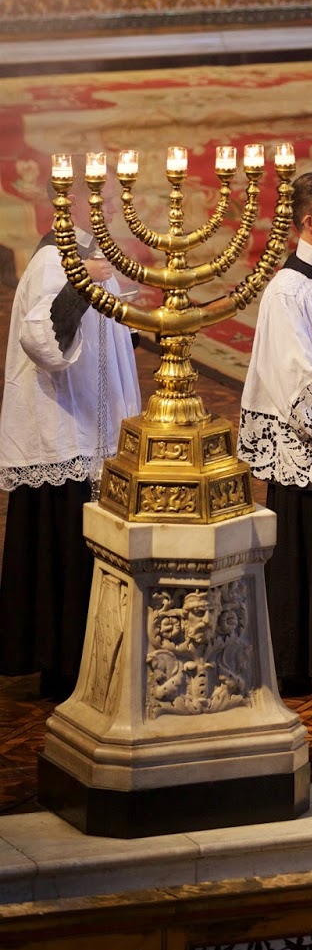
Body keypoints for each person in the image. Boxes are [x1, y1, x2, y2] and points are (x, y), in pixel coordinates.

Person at [0, 199, 140, 699]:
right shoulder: (50, 262)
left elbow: (115, 336)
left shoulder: (94, 258)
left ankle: (99, 655)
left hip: (100, 429)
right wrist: (86, 280)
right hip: (62, 431)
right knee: (61, 545)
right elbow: (43, 342)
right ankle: (60, 662)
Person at [238, 171, 312, 696]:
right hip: (306, 446)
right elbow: (295, 376)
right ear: (308, 222)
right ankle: (295, 661)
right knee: (304, 557)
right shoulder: (285, 291)